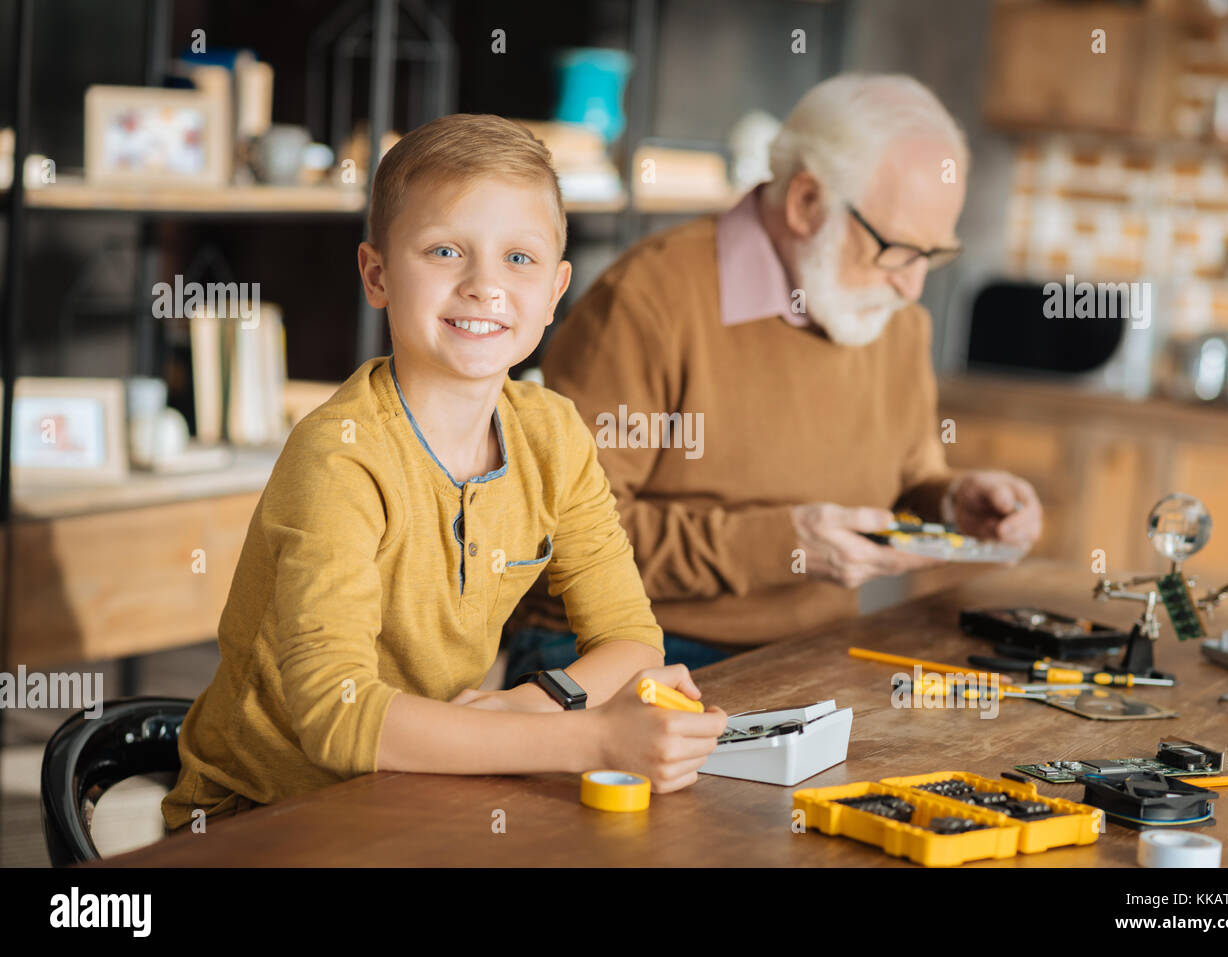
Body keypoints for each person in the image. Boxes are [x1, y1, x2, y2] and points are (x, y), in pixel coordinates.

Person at [161, 114, 728, 835]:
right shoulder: (339, 455)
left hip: (422, 792)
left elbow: (632, 638)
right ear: (377, 274)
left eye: (519, 259)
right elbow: (337, 716)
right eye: (444, 250)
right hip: (267, 814)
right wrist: (592, 737)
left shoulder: (554, 434)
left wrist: (523, 704)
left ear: (556, 291)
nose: (484, 286)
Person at [506, 74, 1043, 685]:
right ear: (806, 202)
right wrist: (781, 544)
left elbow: (908, 480)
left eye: (932, 255)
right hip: (626, 650)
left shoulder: (893, 317)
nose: (913, 286)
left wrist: (952, 504)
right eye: (896, 250)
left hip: (814, 649)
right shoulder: (647, 299)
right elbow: (564, 535)